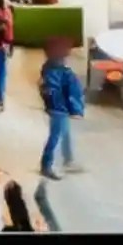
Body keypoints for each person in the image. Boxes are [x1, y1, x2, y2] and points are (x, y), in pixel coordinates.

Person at [39, 39, 84, 179]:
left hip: (56, 107)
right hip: (59, 108)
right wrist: (76, 110)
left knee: (65, 133)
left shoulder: (48, 68)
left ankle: (68, 160)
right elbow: (72, 92)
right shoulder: (63, 73)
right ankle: (47, 165)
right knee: (56, 136)